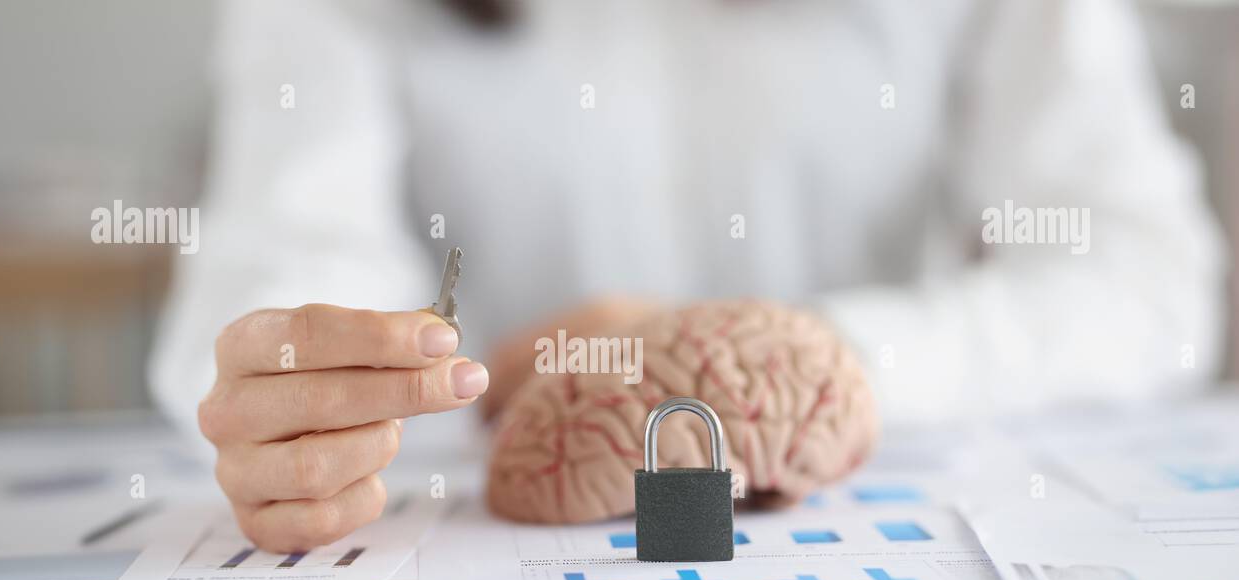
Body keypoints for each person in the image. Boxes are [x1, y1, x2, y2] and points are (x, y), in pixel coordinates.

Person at [150, 0, 1227, 551]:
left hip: (880, 533)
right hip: (487, 534)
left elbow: (1147, 282)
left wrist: (803, 360)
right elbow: (279, 268)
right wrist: (300, 391)